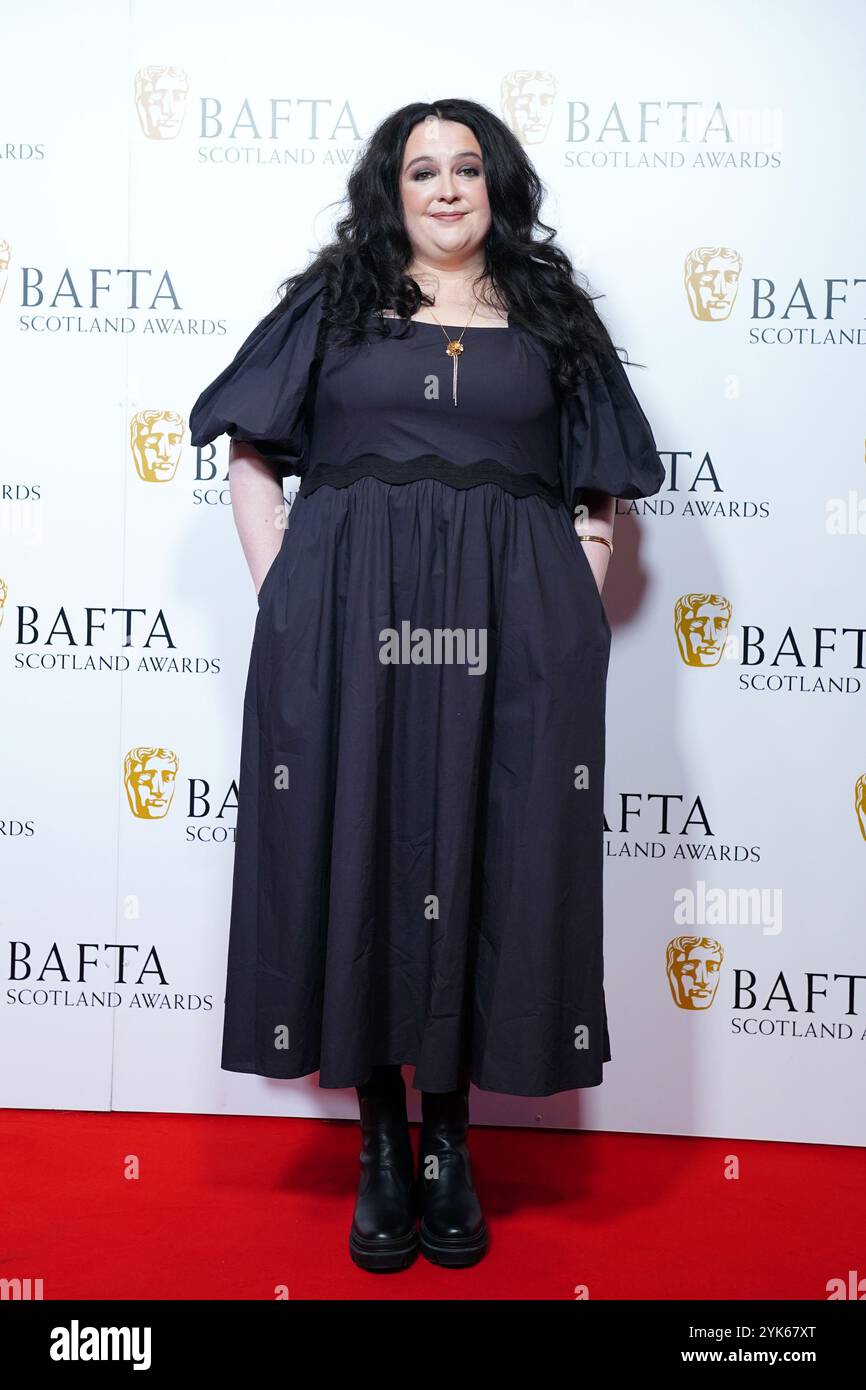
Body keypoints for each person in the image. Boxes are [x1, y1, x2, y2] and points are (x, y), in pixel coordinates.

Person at [189, 98, 665, 1273]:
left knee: (480, 854)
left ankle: (452, 1137)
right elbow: (248, 445)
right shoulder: (335, 300)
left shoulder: (550, 312)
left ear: (495, 182)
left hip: (514, 630)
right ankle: (381, 1142)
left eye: (465, 167)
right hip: (348, 623)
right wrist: (286, 589)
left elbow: (601, 477)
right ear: (389, 189)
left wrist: (578, 586)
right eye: (420, 171)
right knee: (363, 850)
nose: (445, 189)